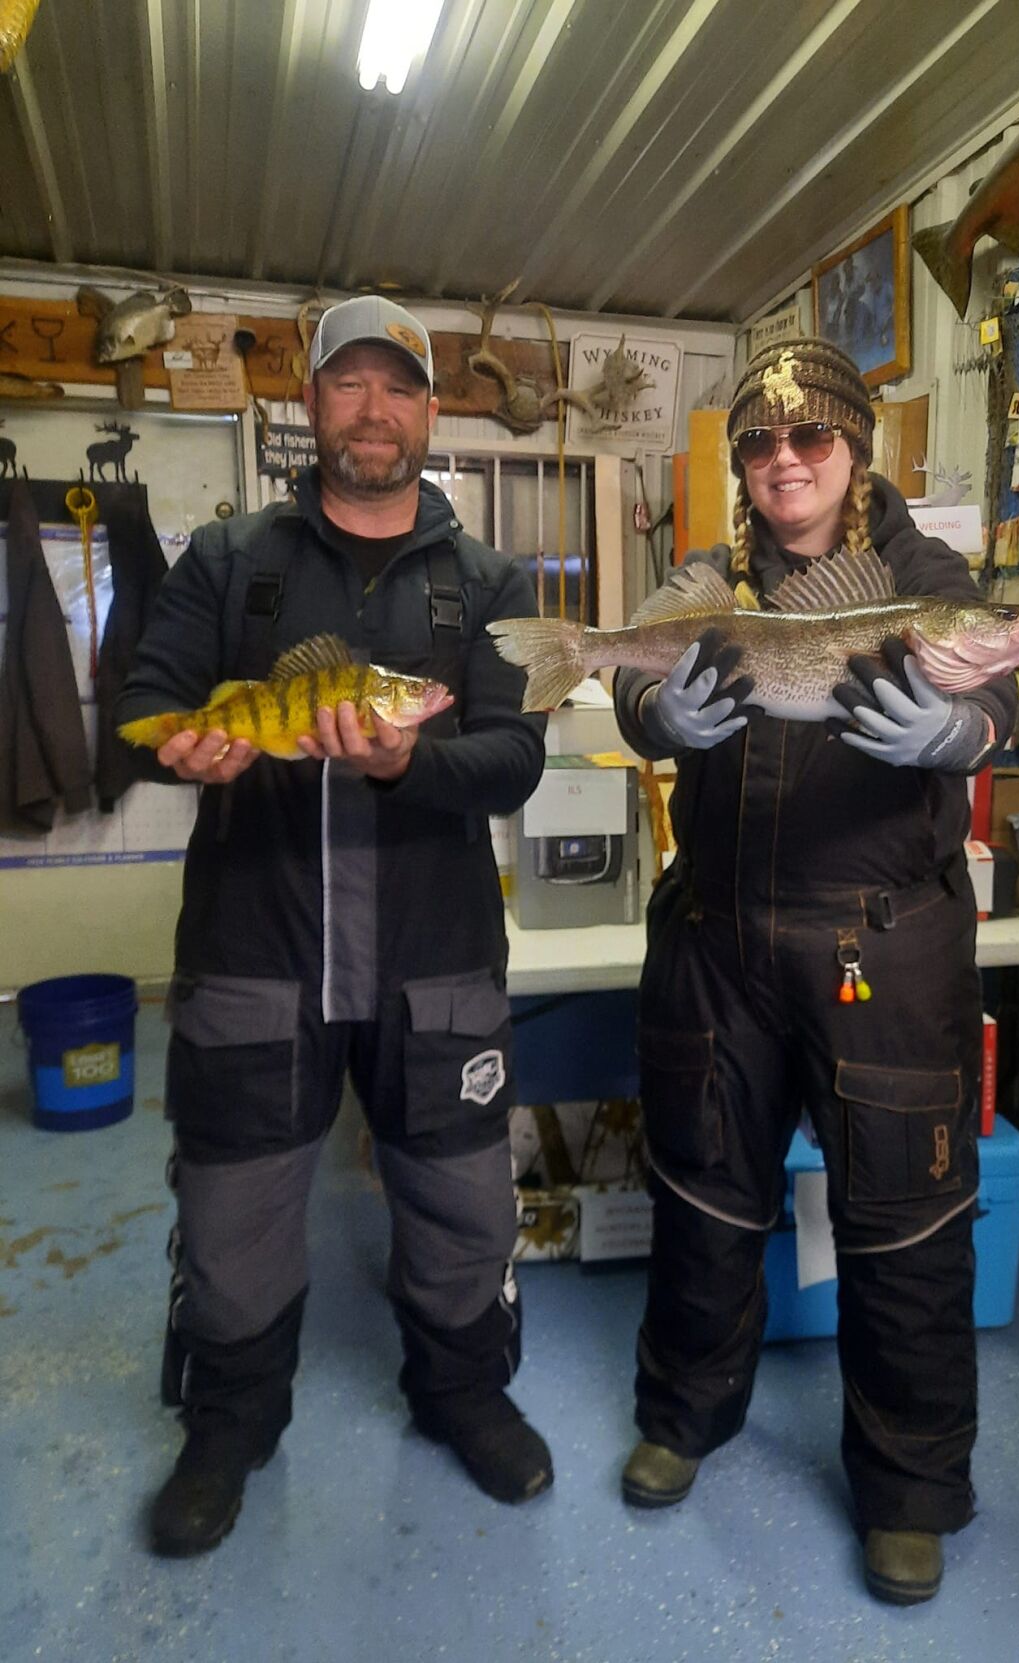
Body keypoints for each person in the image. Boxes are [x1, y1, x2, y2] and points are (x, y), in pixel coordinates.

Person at [117, 295, 552, 1556]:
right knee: (234, 1203)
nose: (373, 409)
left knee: (465, 1197)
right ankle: (231, 1419)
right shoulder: (230, 560)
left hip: (436, 960)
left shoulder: (489, 585)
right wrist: (187, 753)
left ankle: (462, 1389)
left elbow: (515, 758)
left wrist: (402, 771)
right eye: (347, 385)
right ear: (311, 407)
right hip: (258, 951)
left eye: (398, 386)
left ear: (429, 410)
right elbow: (149, 702)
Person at [612, 338, 1018, 1606]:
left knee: (904, 1221)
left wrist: (964, 728)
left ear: (854, 449)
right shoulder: (702, 574)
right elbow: (634, 681)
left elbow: (998, 679)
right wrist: (648, 718)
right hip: (718, 939)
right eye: (757, 443)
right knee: (705, 1189)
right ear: (740, 462)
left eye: (809, 439)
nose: (782, 461)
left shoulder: (921, 572)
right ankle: (683, 1414)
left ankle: (906, 1492)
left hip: (880, 947)